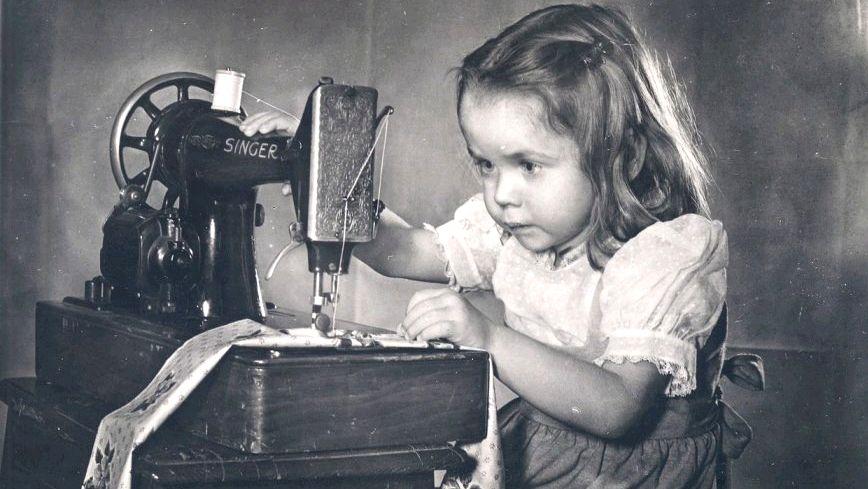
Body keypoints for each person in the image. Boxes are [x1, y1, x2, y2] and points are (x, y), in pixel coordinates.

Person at [241, 4, 754, 488]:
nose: (501, 194)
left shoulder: (662, 255)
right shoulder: (514, 229)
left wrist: (488, 338)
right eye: (486, 165)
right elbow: (406, 253)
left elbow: (618, 408)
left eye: (527, 165)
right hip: (546, 454)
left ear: (618, 155)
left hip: (631, 476)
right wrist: (325, 174)